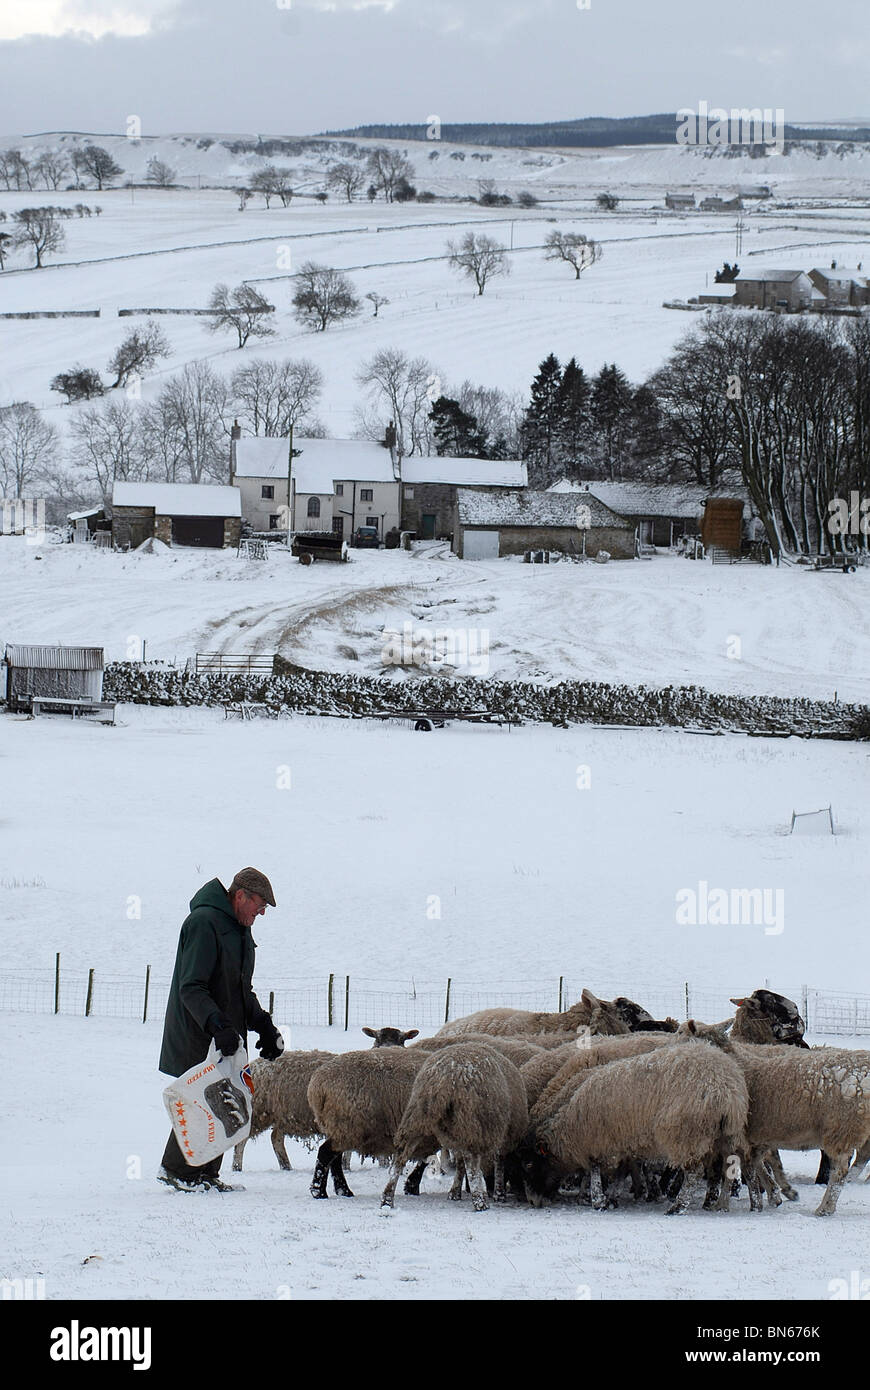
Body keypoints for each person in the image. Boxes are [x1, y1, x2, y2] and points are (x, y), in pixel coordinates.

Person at [157, 868, 284, 1191]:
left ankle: (205, 1174)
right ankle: (177, 1171)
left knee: (224, 1101)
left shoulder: (238, 929)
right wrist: (217, 1025)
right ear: (240, 896)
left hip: (225, 1035)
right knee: (201, 1101)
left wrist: (263, 1026)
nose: (262, 912)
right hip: (198, 1032)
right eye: (259, 904)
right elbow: (192, 987)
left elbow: (240, 990)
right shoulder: (203, 923)